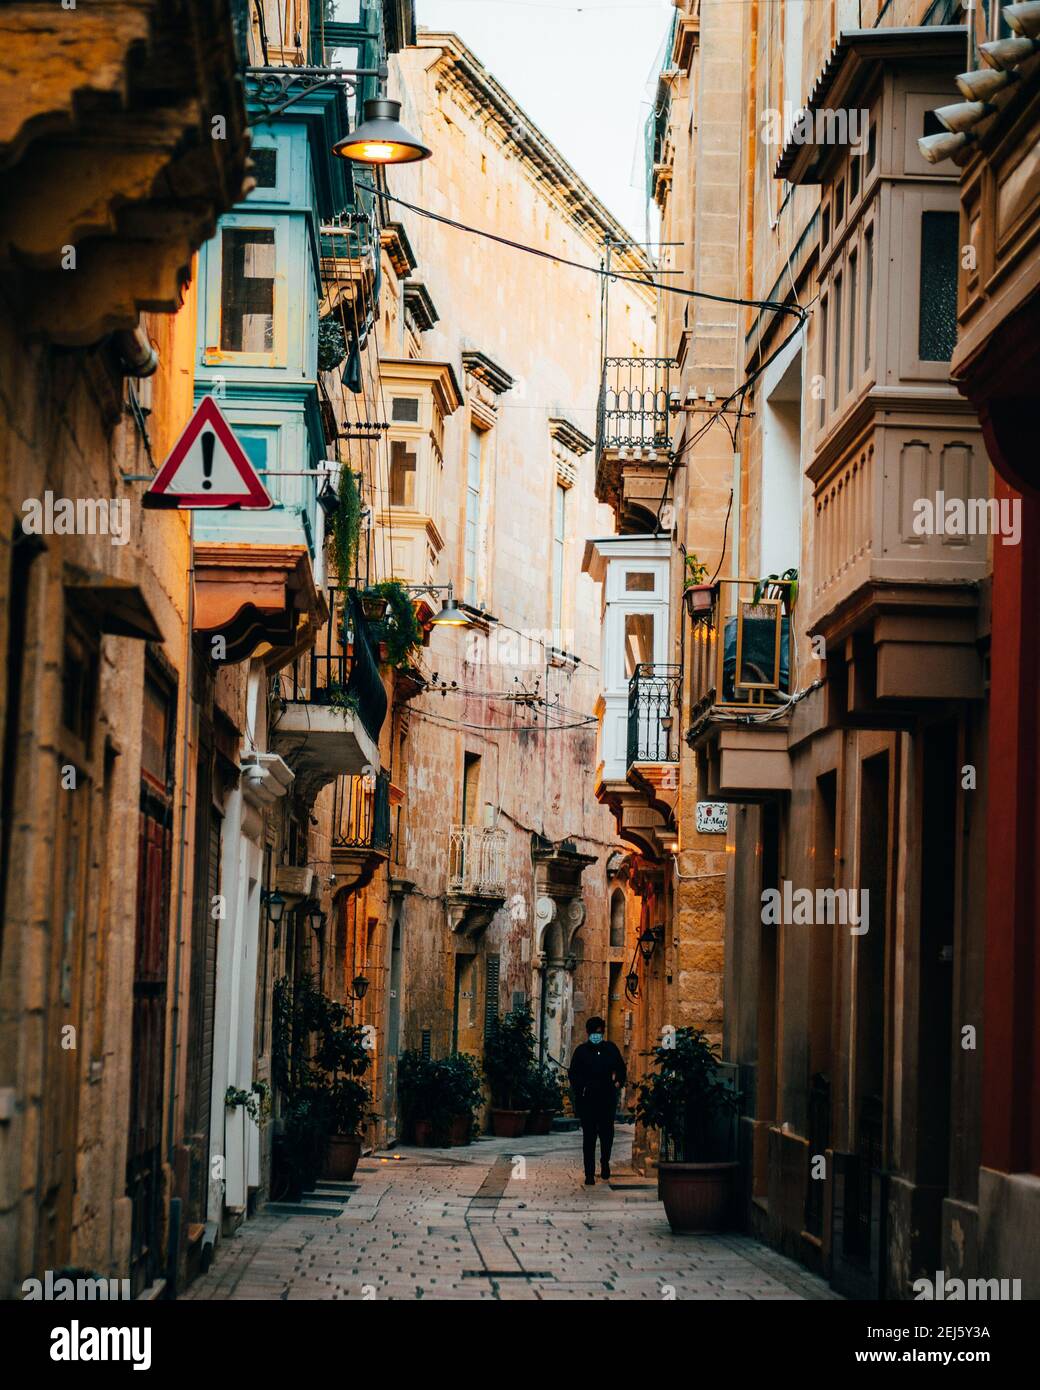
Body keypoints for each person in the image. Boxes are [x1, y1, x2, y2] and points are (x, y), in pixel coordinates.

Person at [568, 1016, 626, 1185]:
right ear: (588, 1033)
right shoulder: (581, 1052)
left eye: (599, 1033)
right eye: (594, 1032)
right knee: (589, 1137)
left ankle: (605, 1162)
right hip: (588, 1101)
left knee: (607, 1134)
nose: (596, 1035)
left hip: (607, 1099)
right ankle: (589, 1173)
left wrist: (617, 1082)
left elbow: (621, 1068)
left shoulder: (610, 1049)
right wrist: (581, 1089)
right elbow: (574, 1074)